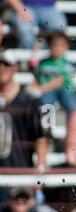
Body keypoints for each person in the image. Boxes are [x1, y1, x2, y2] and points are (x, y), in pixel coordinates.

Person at [0, 51, 49, 183]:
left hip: (20, 175)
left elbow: (41, 136)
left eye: (6, 64)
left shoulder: (29, 100)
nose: (1, 68)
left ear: (15, 67)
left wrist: (40, 168)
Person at [32, 30, 76, 118]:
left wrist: (42, 88)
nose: (58, 48)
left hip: (64, 91)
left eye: (61, 45)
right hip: (46, 92)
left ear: (66, 47)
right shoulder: (43, 63)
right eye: (55, 45)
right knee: (44, 102)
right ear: (49, 45)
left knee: (71, 103)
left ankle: (73, 123)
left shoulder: (67, 65)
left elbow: (60, 81)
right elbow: (36, 78)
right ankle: (46, 125)